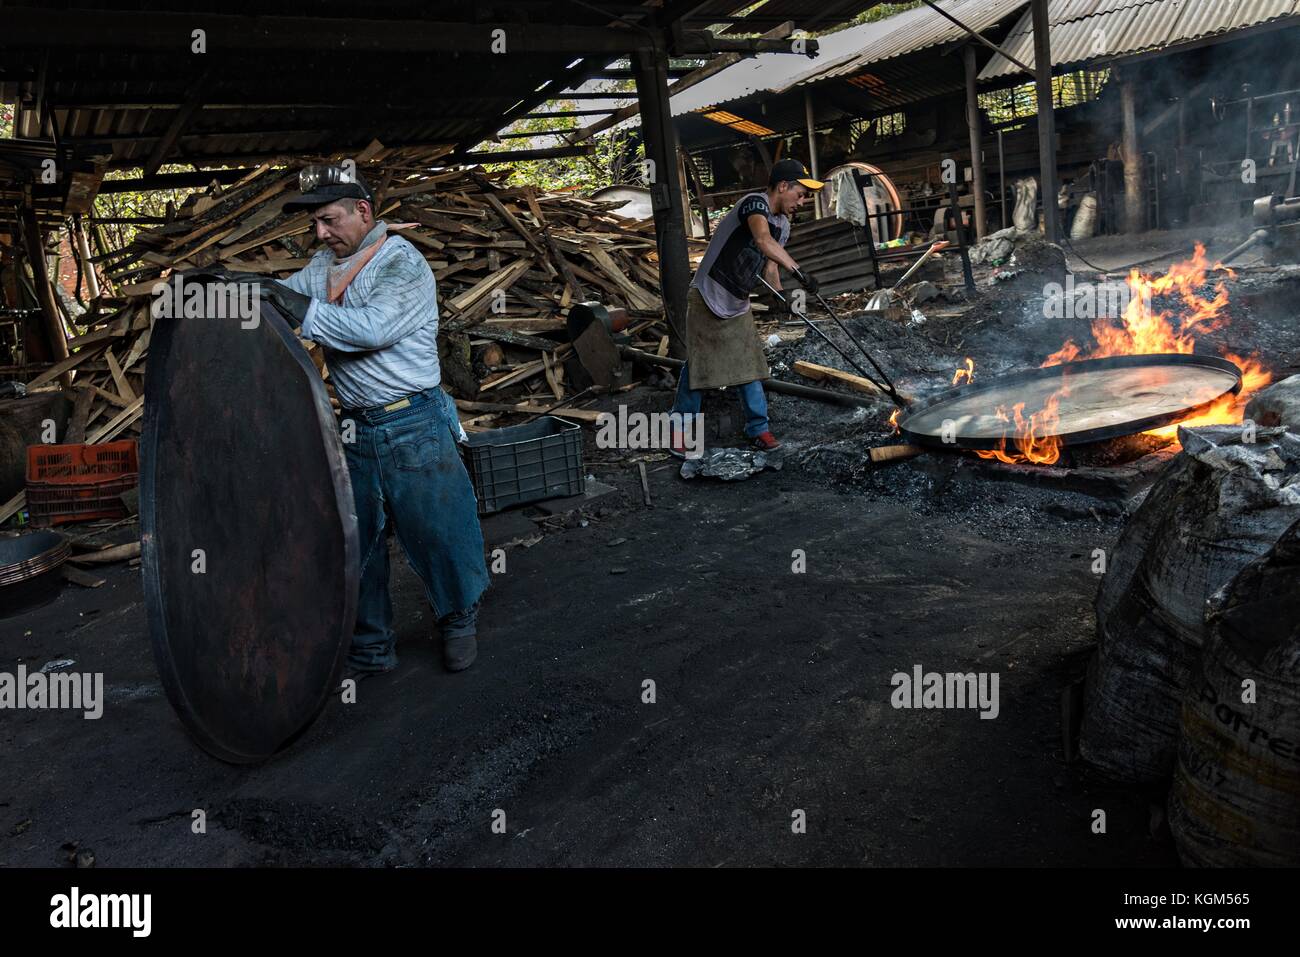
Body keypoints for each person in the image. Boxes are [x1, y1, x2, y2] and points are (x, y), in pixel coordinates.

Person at [258, 164, 489, 678]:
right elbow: (282, 299)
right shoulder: (324, 267)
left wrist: (295, 305)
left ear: (363, 211)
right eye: (315, 223)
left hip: (415, 420)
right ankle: (371, 643)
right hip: (356, 427)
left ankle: (457, 621)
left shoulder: (402, 264)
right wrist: (245, 293)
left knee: (438, 529)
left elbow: (372, 329)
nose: (321, 233)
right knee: (355, 540)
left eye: (329, 220)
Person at [670, 158, 823, 455]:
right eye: (800, 193)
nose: (802, 201)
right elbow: (762, 240)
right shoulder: (754, 204)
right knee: (699, 368)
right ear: (782, 186)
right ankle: (678, 431)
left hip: (737, 303)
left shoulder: (783, 225)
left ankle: (758, 429)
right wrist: (801, 272)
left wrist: (781, 298)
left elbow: (770, 267)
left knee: (750, 365)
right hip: (707, 296)